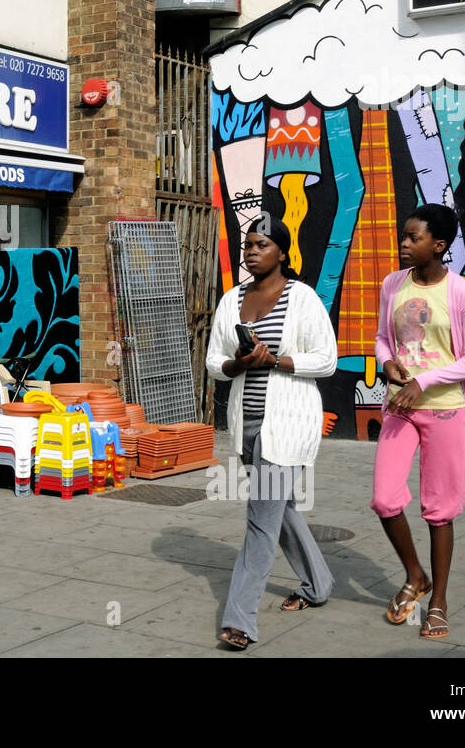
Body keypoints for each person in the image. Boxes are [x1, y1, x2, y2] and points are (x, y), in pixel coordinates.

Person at [206, 216, 338, 651]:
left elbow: (326, 360)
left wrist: (275, 360)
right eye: (247, 245)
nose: (251, 252)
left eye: (261, 245)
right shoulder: (232, 300)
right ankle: (318, 584)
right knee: (279, 510)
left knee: (260, 519)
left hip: (288, 421)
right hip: (245, 423)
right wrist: (241, 364)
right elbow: (214, 362)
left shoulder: (301, 298)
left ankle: (240, 620)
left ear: (282, 252)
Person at [372, 203, 465, 640]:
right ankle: (415, 575)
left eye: (413, 238)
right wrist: (387, 365)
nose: (403, 244)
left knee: (439, 510)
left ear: (437, 245)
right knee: (385, 498)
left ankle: (438, 600)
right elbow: (384, 338)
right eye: (403, 236)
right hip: (401, 406)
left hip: (445, 409)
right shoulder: (392, 285)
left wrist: (425, 380)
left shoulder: (461, 293)